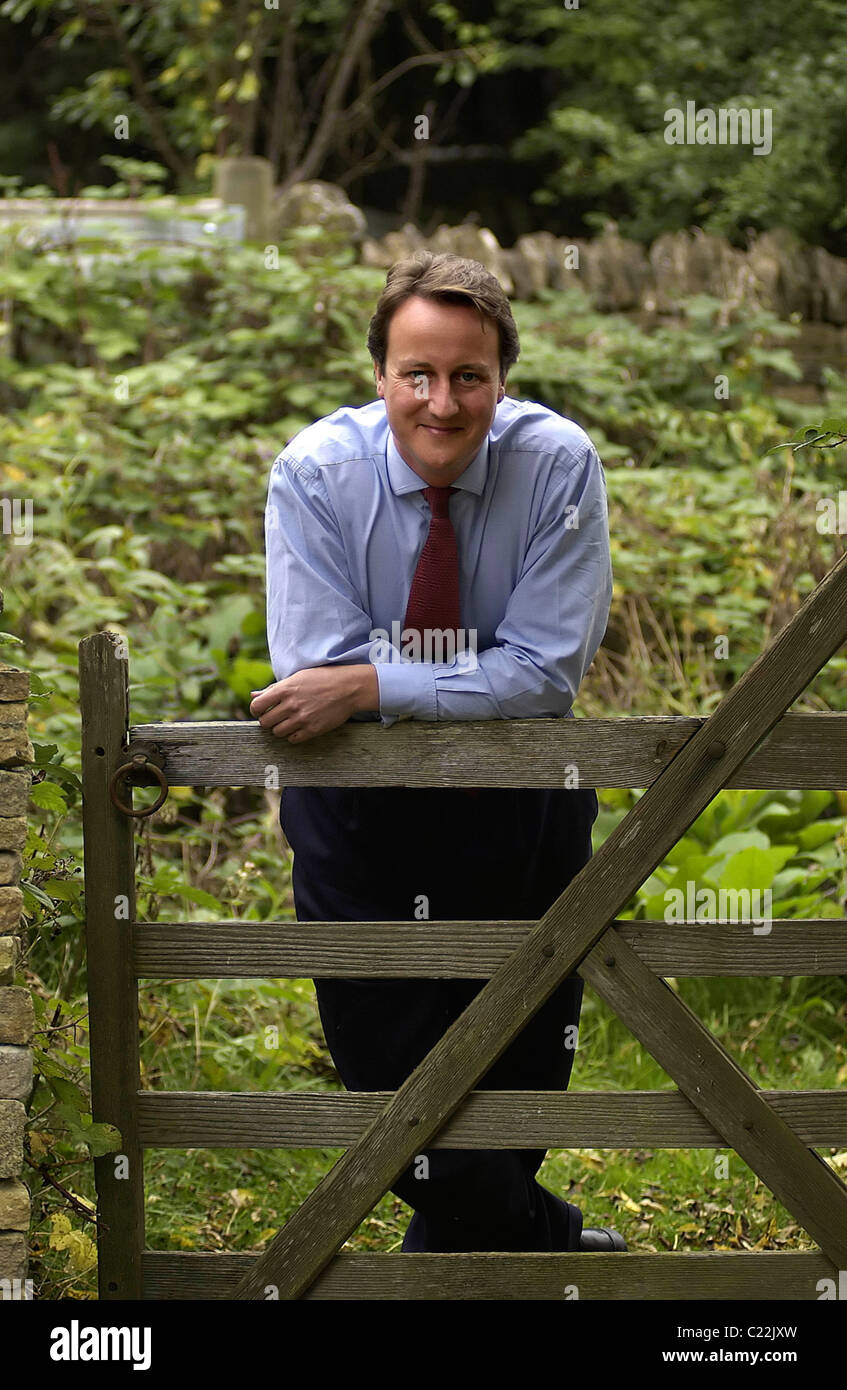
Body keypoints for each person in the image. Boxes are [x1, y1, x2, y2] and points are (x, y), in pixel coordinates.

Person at [250, 250, 624, 1253]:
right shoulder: (314, 474)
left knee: (527, 1032)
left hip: (520, 789)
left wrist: (377, 683)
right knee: (381, 1043)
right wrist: (432, 676)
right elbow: (310, 671)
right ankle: (526, 1234)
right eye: (417, 373)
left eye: (469, 376)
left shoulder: (557, 467)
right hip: (357, 796)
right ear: (378, 377)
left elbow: (545, 673)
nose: (443, 403)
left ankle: (469, 1246)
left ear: (503, 380)